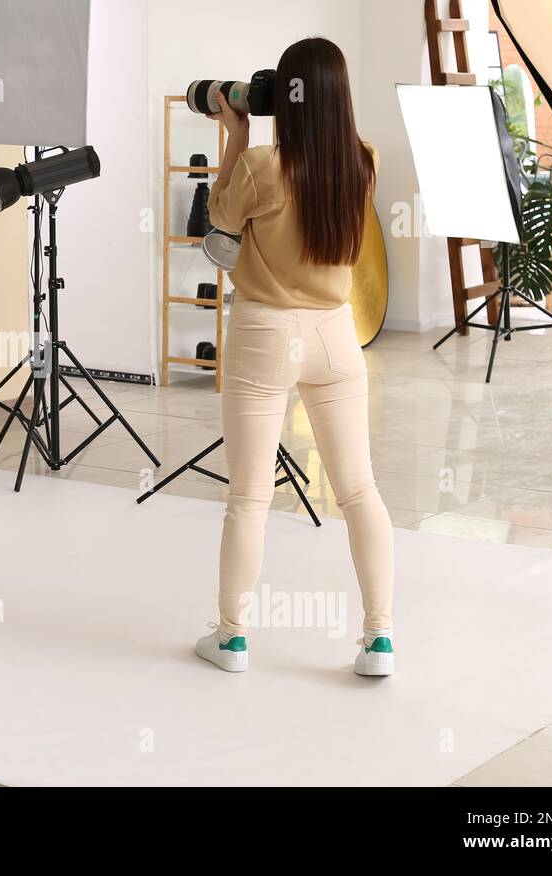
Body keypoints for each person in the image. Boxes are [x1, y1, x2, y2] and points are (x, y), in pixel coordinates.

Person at [196, 37, 395, 676]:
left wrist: (235, 132)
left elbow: (216, 232)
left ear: (285, 94)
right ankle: (380, 639)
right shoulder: (363, 161)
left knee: (250, 498)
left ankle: (232, 638)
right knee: (359, 490)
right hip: (337, 336)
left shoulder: (260, 165)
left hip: (265, 332)